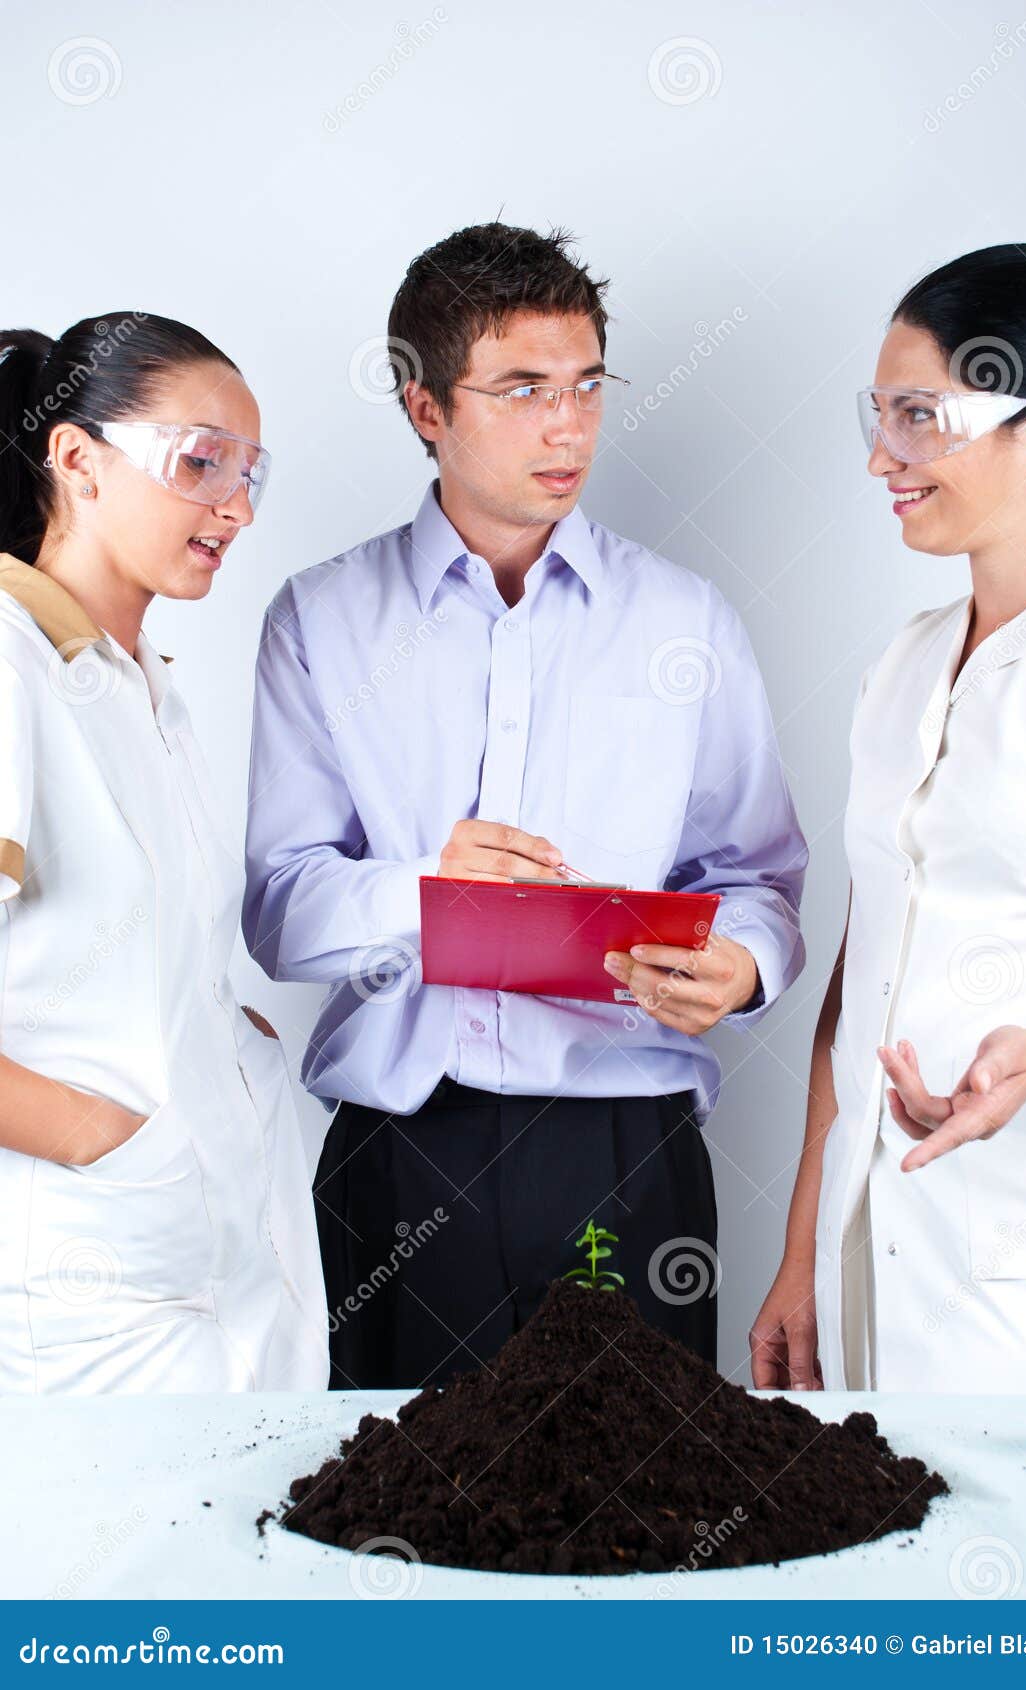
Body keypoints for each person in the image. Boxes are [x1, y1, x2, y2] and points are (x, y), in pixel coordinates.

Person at [243, 222, 806, 1390]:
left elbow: (757, 875)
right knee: (393, 1513)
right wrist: (427, 891)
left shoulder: (682, 624)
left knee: (637, 1519)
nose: (570, 426)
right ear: (424, 408)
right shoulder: (320, 618)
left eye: (589, 384)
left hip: (625, 1144)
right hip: (404, 1150)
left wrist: (745, 962)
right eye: (523, 389)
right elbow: (279, 910)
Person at [751, 244, 1026, 1396]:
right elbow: (864, 969)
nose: (884, 457)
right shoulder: (905, 666)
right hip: (864, 1255)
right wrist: (798, 1252)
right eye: (878, 417)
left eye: (922, 418)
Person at [0, 315, 328, 1394]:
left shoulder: (140, 679)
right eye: (199, 462)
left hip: (215, 1258)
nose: (234, 508)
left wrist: (223, 1036)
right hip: (95, 1276)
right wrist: (116, 1142)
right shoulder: (10, 663)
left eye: (250, 474)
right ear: (78, 459)